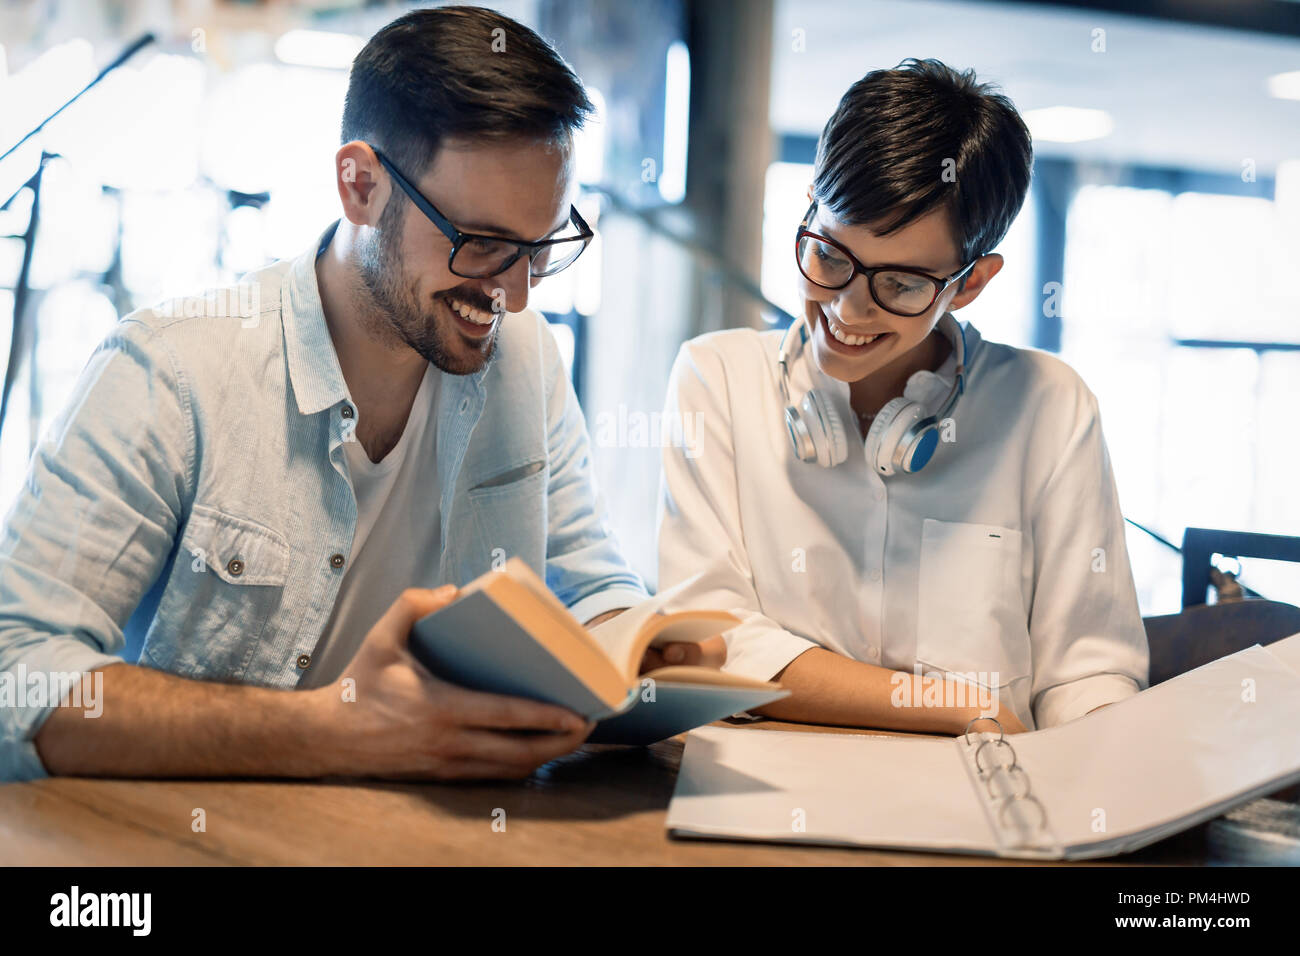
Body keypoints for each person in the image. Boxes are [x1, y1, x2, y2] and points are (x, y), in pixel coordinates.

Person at [0, 6, 718, 784]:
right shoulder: (170, 373)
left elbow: (587, 585)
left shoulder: (528, 364)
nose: (515, 293)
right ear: (361, 185)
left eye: (541, 249)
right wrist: (338, 731)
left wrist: (639, 643)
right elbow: (17, 678)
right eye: (480, 244)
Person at [657, 58, 1148, 736]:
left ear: (970, 284)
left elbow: (1088, 671)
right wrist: (959, 706)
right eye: (829, 256)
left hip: (981, 809)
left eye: (903, 284)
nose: (848, 309)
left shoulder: (1049, 407)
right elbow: (710, 644)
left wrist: (1106, 771)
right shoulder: (717, 379)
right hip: (767, 804)